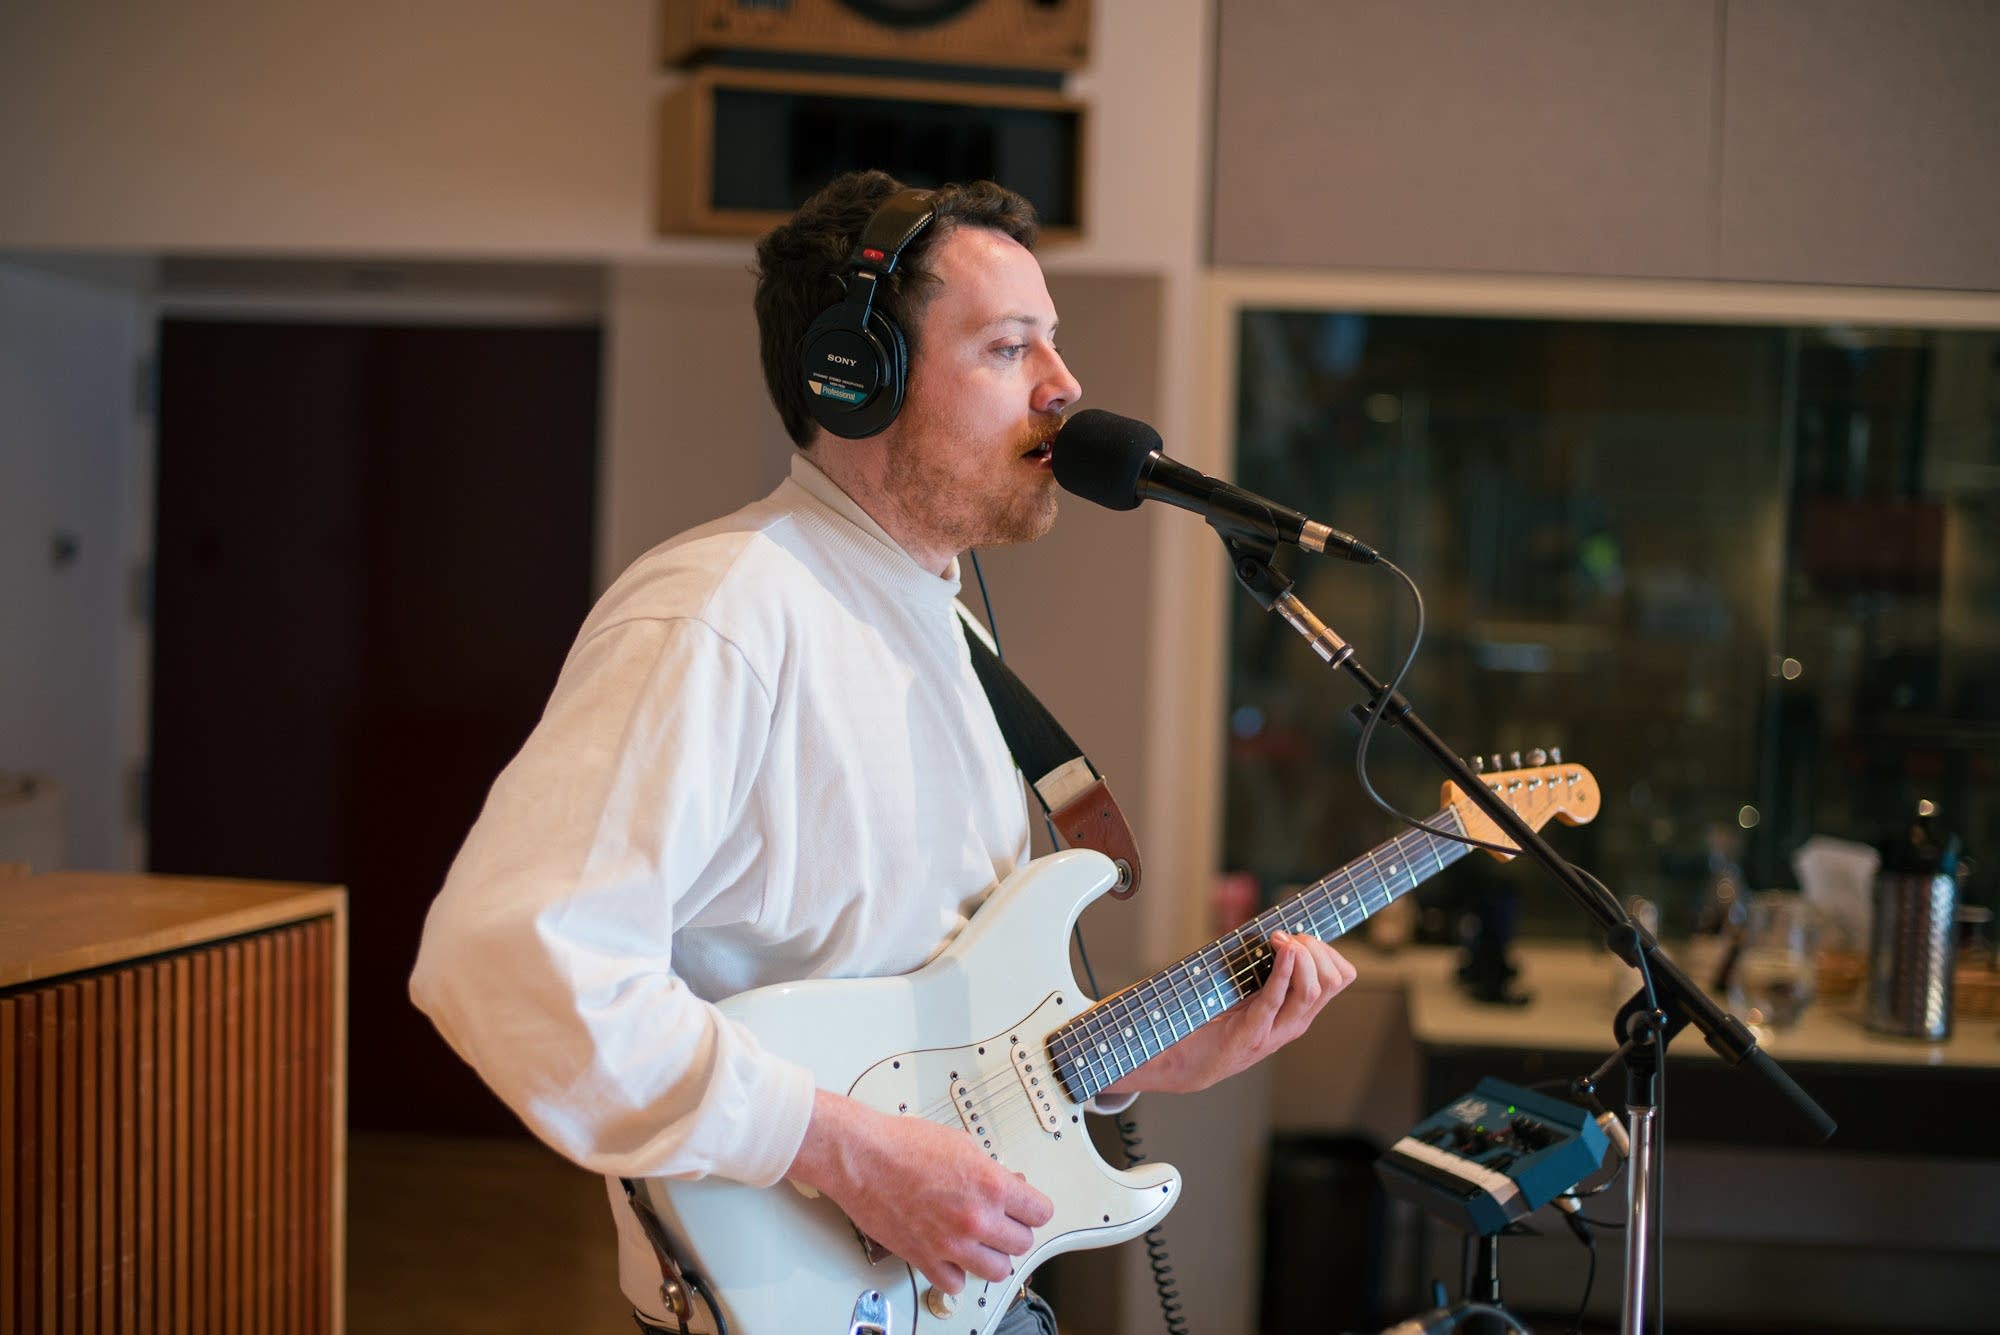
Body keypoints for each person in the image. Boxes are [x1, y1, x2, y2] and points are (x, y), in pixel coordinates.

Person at [409, 170, 1357, 1333]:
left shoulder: (940, 623)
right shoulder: (722, 611)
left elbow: (927, 1025)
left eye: (1049, 348)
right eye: (1010, 349)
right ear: (855, 381)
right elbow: (508, 961)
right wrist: (848, 1156)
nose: (1064, 391)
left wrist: (1133, 1061)